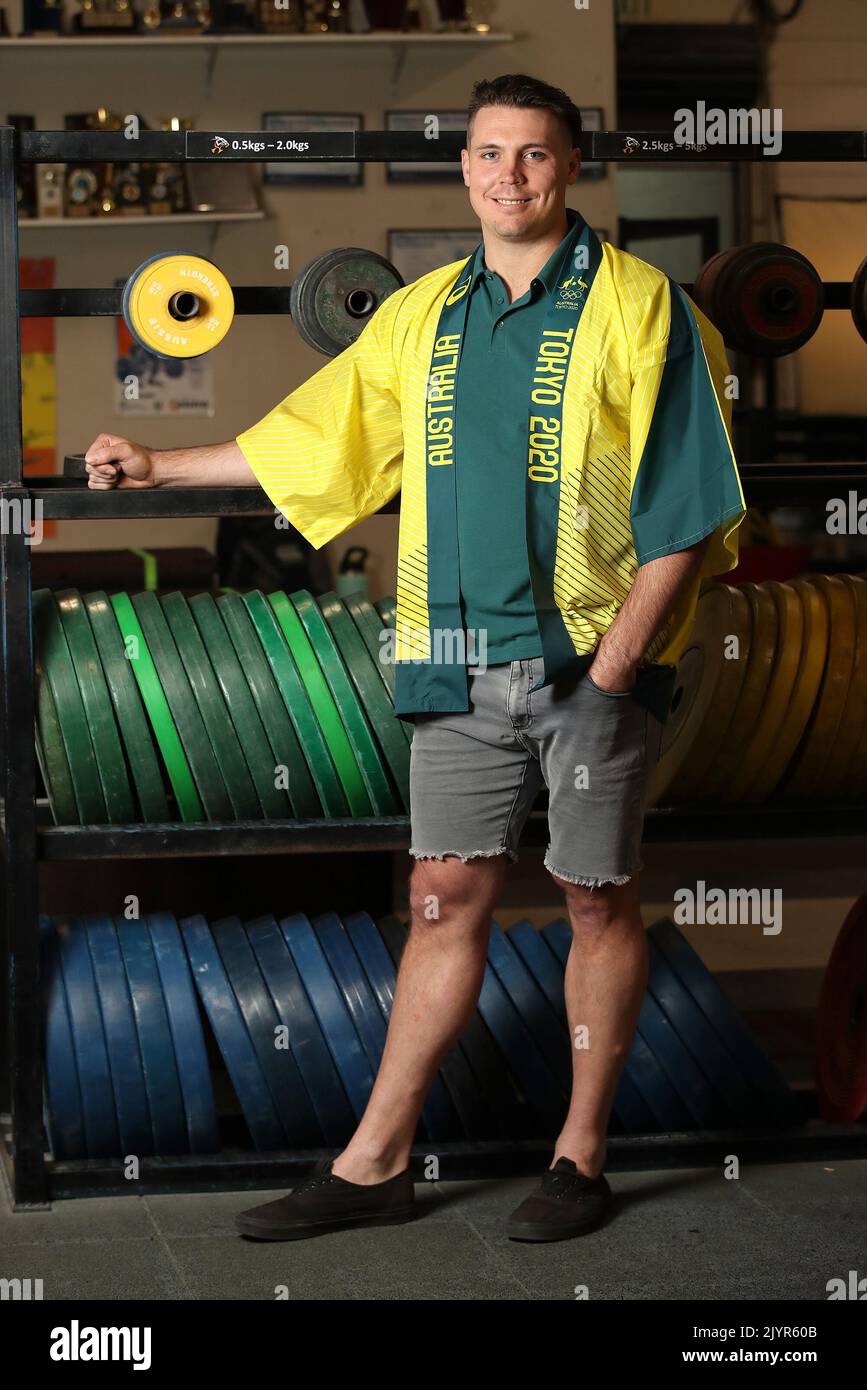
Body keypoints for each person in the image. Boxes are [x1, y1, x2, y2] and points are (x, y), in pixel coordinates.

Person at [86, 73, 745, 1244]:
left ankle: (580, 1157)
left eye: (533, 156)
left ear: (571, 165)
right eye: (490, 154)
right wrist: (161, 463)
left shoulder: (648, 311)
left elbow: (688, 512)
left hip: (594, 664)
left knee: (596, 902)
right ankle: (375, 1159)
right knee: (442, 896)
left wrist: (611, 668)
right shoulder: (425, 311)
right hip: (455, 660)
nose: (509, 176)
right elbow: (315, 429)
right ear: (468, 169)